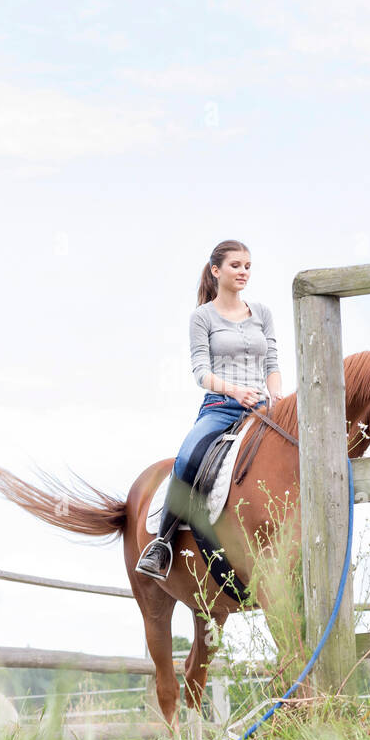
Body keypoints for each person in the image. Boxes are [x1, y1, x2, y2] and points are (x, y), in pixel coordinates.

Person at [135, 238, 284, 580]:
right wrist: (236, 391)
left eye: (248, 266)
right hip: (221, 406)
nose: (243, 272)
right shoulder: (202, 317)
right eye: (236, 266)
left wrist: (276, 396)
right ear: (217, 271)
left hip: (263, 408)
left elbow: (272, 363)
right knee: (187, 458)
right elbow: (201, 372)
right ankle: (162, 543)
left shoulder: (262, 313)